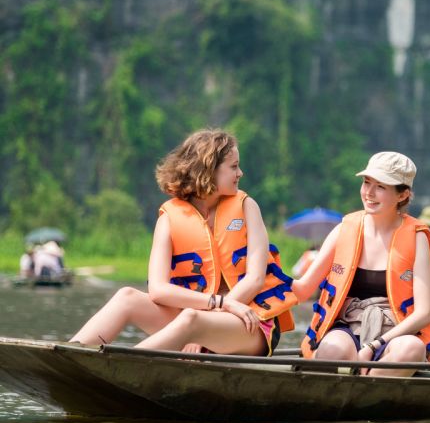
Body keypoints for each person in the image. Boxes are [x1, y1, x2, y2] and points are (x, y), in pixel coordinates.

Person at [70, 129, 296, 355]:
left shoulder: (247, 207)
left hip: (251, 324)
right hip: (196, 320)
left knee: (191, 318)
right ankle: (70, 354)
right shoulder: (169, 218)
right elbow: (158, 290)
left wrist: (205, 324)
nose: (241, 173)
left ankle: (115, 366)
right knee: (126, 297)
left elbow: (255, 279)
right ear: (208, 170)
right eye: (233, 166)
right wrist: (217, 305)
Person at [291, 151, 430, 377]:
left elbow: (423, 314)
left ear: (403, 195)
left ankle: (369, 394)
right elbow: (303, 288)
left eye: (381, 187)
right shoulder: (346, 229)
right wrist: (261, 278)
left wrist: (373, 346)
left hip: (396, 331)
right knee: (331, 348)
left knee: (413, 348)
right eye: (366, 183)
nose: (369, 193)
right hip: (349, 324)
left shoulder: (417, 237)